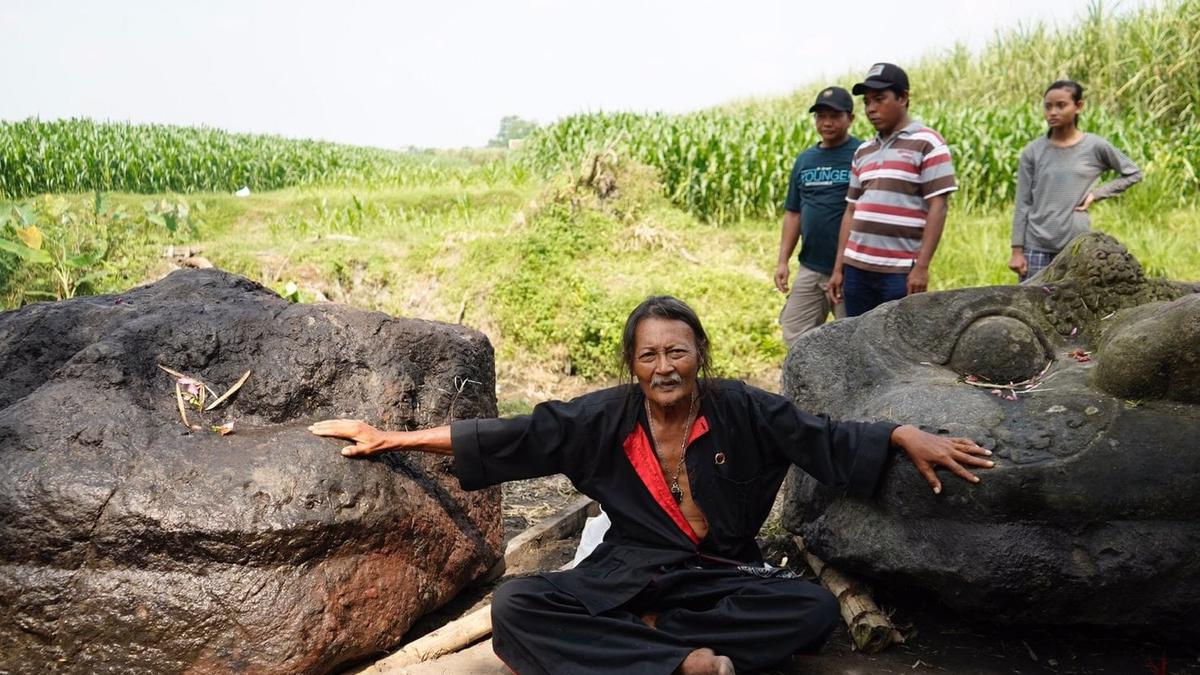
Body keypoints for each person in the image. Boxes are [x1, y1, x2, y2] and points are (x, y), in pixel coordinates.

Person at [310, 296, 993, 675]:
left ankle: (641, 645)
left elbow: (820, 436)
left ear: (699, 354)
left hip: (717, 571)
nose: (664, 366)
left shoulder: (741, 408)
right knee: (518, 606)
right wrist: (391, 438)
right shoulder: (604, 416)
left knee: (811, 612)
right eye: (649, 354)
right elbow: (512, 435)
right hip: (628, 569)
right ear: (632, 364)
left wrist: (902, 434)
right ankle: (685, 661)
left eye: (677, 351)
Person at [827, 63, 957, 317]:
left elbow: (938, 207)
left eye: (879, 99)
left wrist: (921, 266)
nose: (871, 109)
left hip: (899, 272)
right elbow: (851, 210)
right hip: (856, 268)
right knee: (859, 341)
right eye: (867, 102)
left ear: (904, 98)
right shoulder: (863, 151)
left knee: (896, 347)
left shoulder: (928, 143)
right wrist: (839, 268)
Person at [1009, 80, 1142, 281]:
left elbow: (1133, 173)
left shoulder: (1095, 146)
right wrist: (1017, 251)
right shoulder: (1033, 152)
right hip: (1036, 247)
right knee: (1031, 303)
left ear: (1078, 106)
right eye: (1048, 106)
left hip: (1075, 245)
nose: (1052, 112)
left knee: (1071, 305)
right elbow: (1022, 203)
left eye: (1061, 105)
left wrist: (1096, 194)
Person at [775, 86, 860, 344]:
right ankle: (807, 383)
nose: (827, 122)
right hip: (810, 266)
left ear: (850, 119)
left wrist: (842, 267)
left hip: (851, 270)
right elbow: (793, 214)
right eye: (820, 116)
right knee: (794, 331)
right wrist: (782, 261)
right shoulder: (805, 160)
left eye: (834, 116)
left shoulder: (862, 154)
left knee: (854, 337)